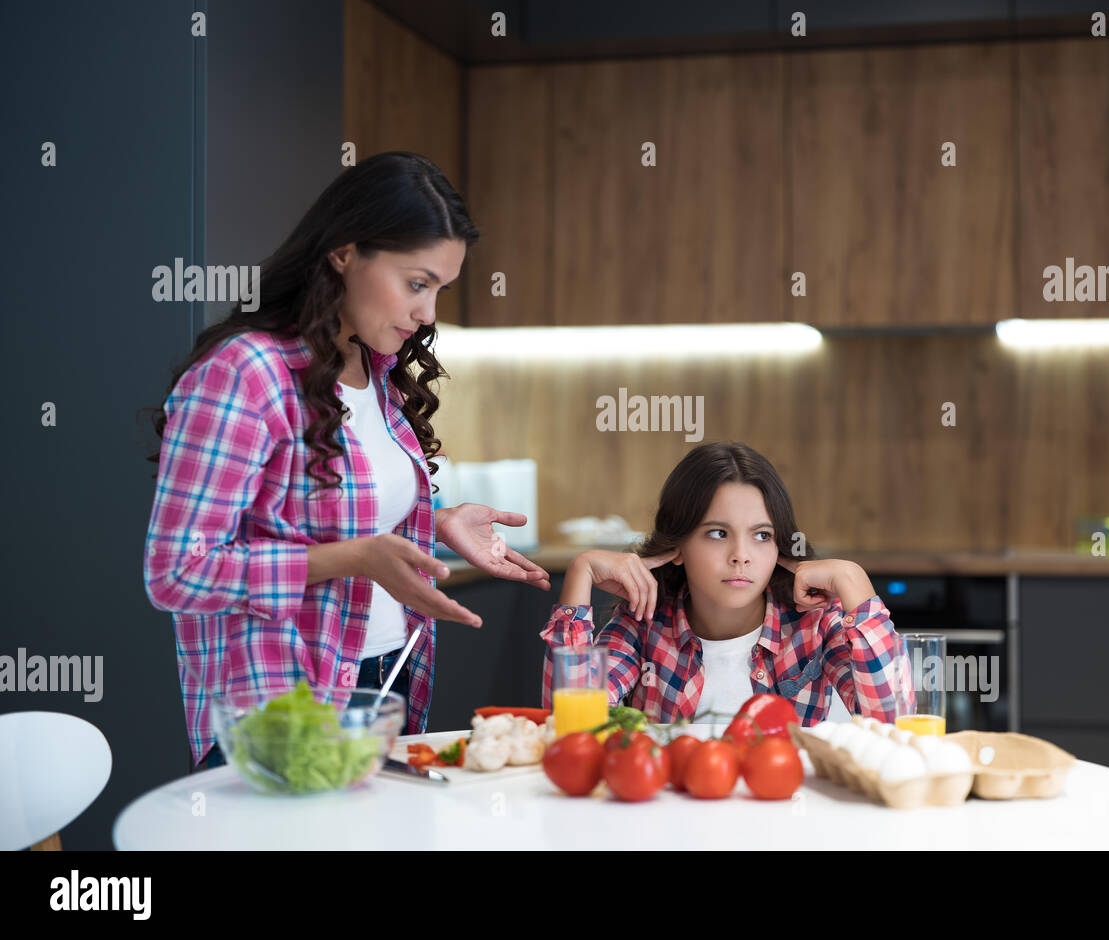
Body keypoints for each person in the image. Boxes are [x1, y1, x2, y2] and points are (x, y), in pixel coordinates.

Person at [143, 152, 550, 770]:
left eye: (440, 289)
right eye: (417, 283)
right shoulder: (245, 372)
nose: (428, 313)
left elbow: (328, 515)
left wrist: (435, 525)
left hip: (383, 681)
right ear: (344, 253)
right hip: (281, 705)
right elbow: (176, 571)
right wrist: (358, 558)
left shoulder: (375, 371)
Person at [540, 441, 901, 725]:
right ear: (678, 546)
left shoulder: (816, 623)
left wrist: (855, 582)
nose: (741, 555)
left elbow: (892, 724)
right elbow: (571, 729)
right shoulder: (643, 624)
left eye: (761, 535)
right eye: (717, 533)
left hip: (787, 814)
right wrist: (580, 573)